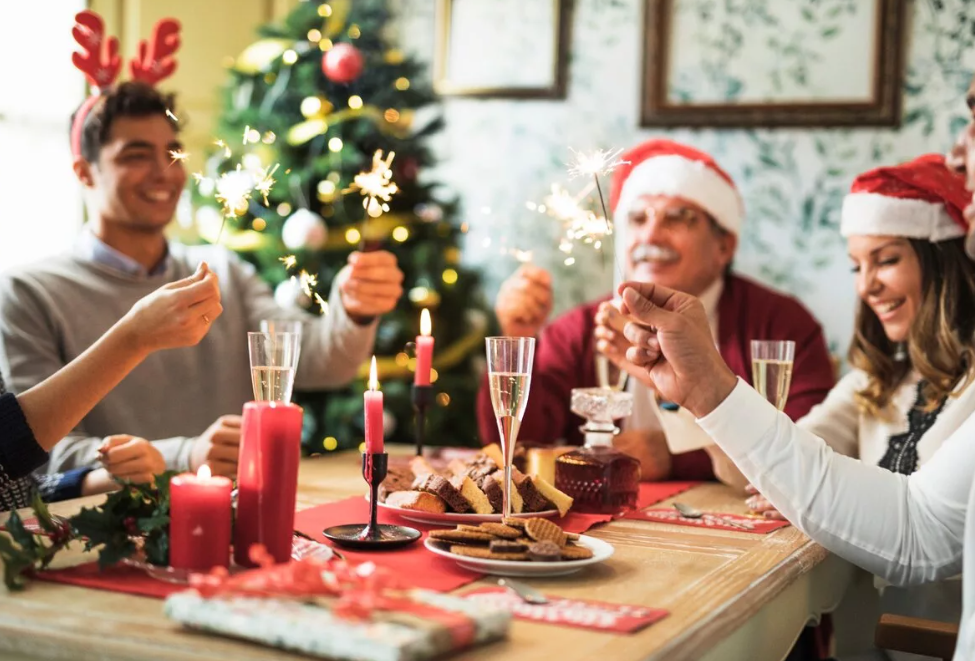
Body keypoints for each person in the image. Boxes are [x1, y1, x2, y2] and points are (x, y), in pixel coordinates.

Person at [0, 82, 404, 479]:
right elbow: (34, 455)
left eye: (172, 153)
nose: (165, 173)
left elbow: (322, 363)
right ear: (85, 172)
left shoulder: (222, 272)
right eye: (137, 155)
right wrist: (184, 455)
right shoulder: (28, 292)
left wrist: (354, 309)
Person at [477, 139, 834, 481]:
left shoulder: (781, 326)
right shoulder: (582, 328)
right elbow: (515, 445)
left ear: (724, 246)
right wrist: (516, 341)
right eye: (637, 219)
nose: (651, 236)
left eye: (678, 218)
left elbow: (808, 452)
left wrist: (677, 456)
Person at [1, 264, 221, 511]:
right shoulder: (27, 289)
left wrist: (102, 480)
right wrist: (133, 337)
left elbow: (15, 490)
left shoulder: (228, 268)